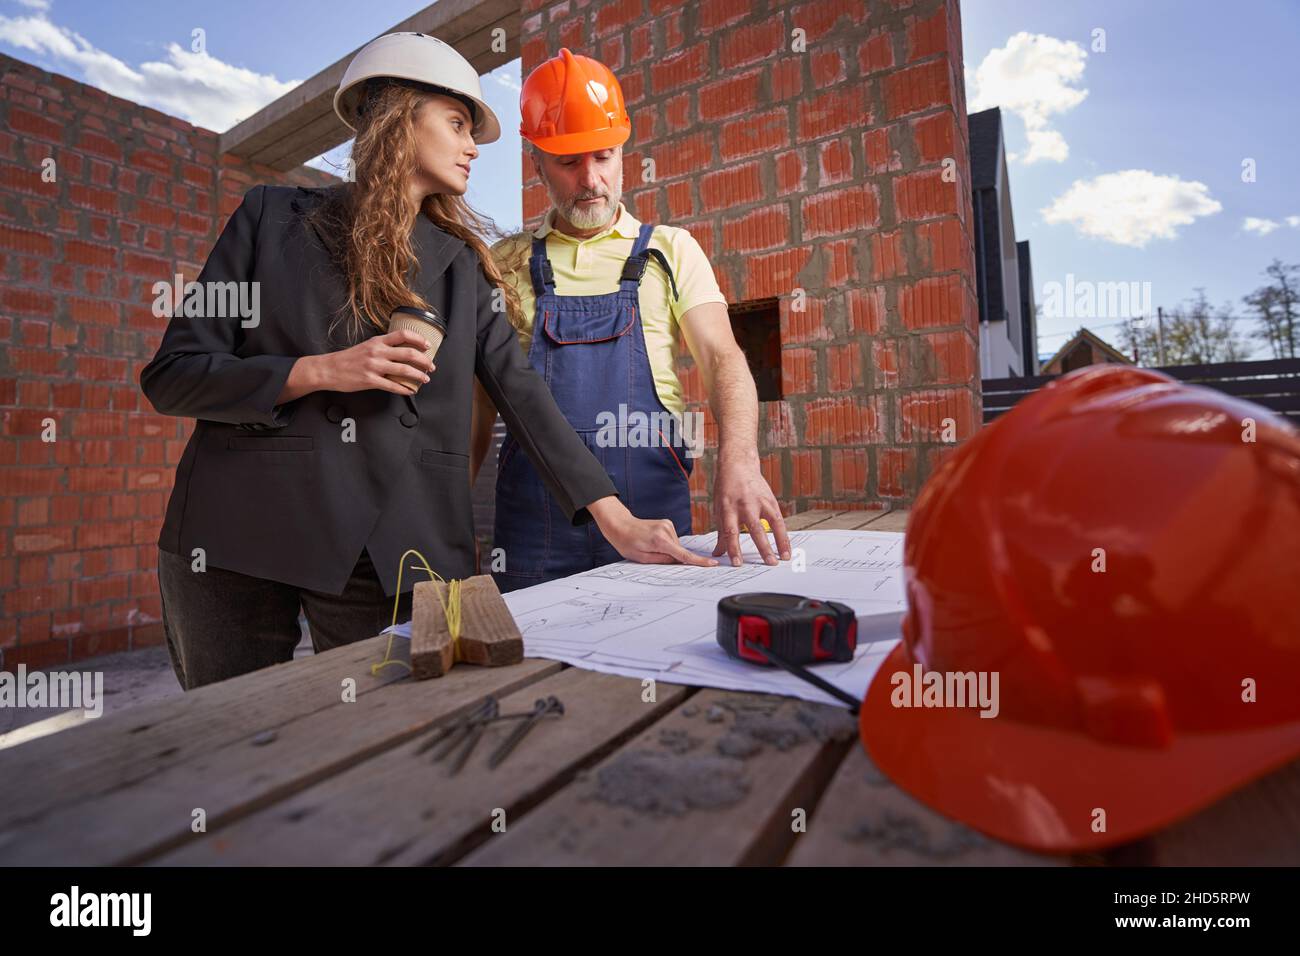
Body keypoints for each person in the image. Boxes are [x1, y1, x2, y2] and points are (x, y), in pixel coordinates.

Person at [140, 33, 712, 691]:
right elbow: (174, 372)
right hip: (239, 531)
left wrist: (618, 521)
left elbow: (523, 396)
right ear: (398, 118)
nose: (474, 146)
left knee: (375, 749)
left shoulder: (464, 270)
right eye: (459, 123)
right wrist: (323, 370)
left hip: (388, 551)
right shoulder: (269, 220)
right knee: (225, 746)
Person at [473, 49, 790, 593]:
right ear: (537, 163)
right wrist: (449, 512)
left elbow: (721, 356)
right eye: (569, 162)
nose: (590, 179)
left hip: (655, 523)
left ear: (623, 153)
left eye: (603, 157)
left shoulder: (670, 250)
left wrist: (740, 457)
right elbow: (477, 407)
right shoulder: (503, 263)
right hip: (533, 532)